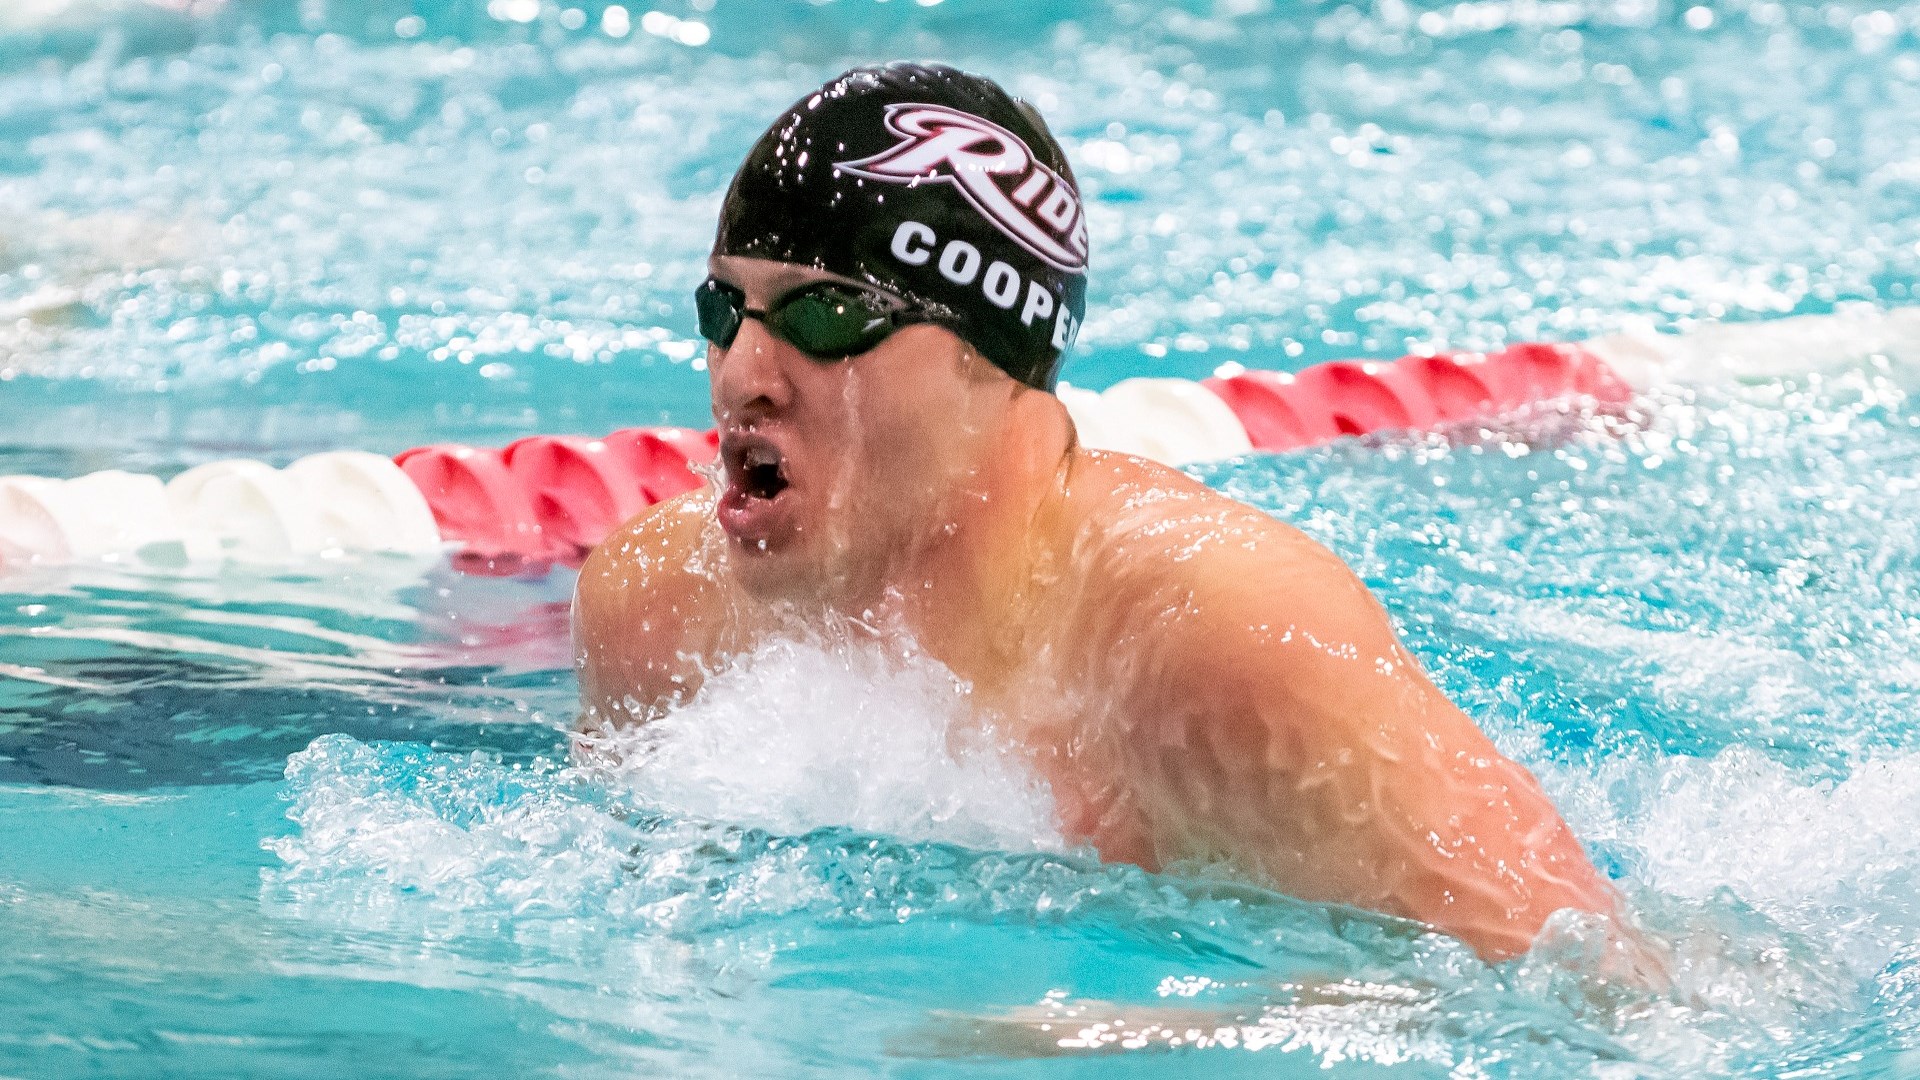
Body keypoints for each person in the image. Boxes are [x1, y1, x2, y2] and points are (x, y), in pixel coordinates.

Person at [572, 62, 1618, 961]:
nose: (741, 376)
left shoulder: (1223, 639)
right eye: (726, 310)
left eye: (828, 314)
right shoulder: (658, 612)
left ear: (998, 356)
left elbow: (1594, 987)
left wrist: (1142, 1031)